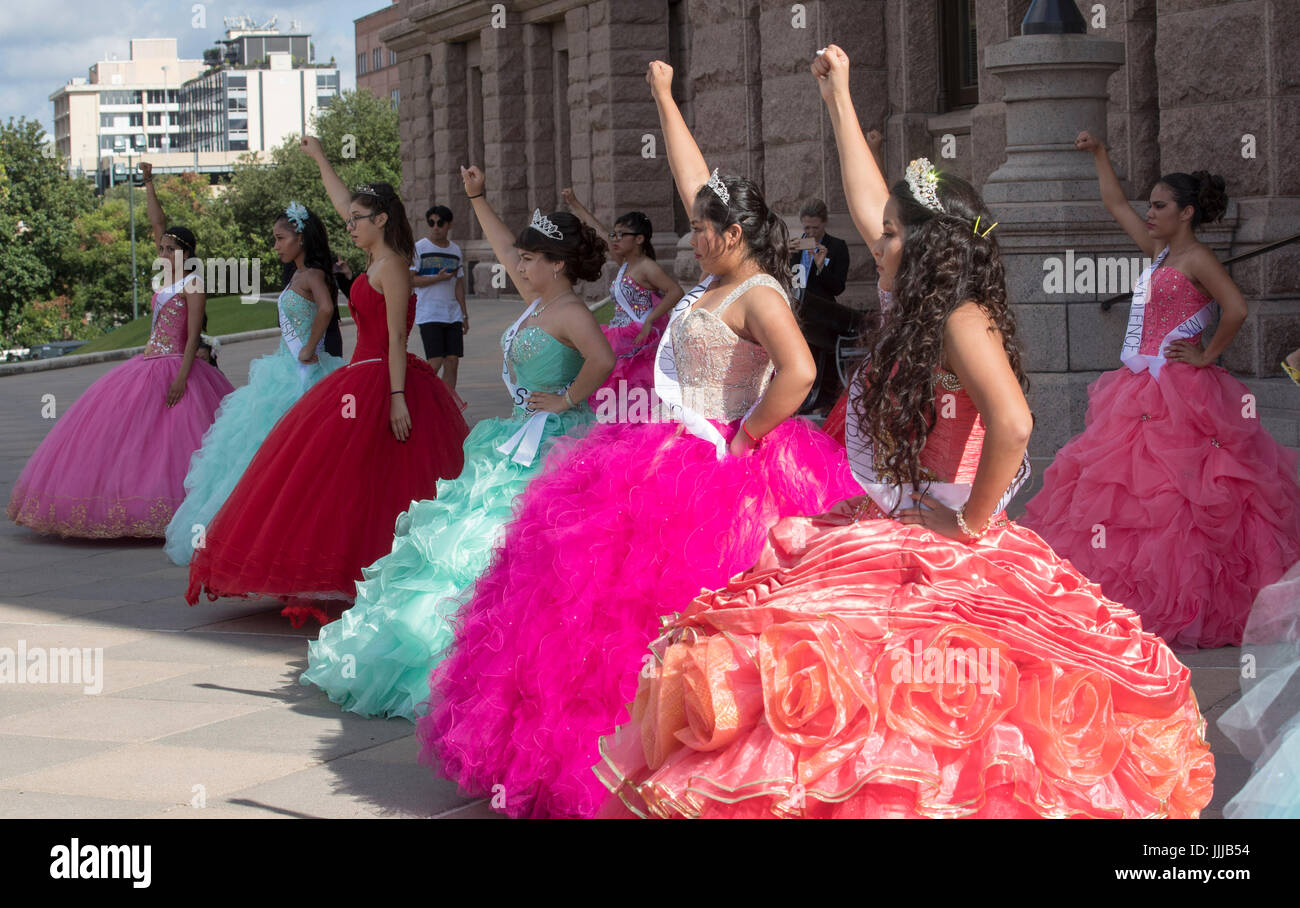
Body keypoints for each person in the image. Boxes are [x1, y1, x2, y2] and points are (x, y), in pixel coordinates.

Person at [593, 45, 1214, 820]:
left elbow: (1015, 422)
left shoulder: (955, 316)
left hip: (939, 538)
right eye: (884, 231)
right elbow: (866, 195)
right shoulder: (918, 305)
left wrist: (971, 519)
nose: (875, 240)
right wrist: (841, 97)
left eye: (891, 235)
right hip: (890, 520)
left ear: (926, 248)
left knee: (929, 714)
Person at [415, 59, 861, 819]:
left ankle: (703, 762)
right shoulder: (718, 279)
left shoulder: (757, 292)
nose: (692, 236)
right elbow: (697, 181)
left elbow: (800, 371)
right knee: (590, 601)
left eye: (701, 229)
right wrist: (662, 97)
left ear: (732, 235)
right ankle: (624, 752)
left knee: (695, 613)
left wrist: (747, 435)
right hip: (661, 448)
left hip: (721, 463)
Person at [301, 168, 615, 719]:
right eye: (521, 258)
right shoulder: (540, 301)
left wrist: (567, 401)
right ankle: (449, 651)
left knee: (516, 544)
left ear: (558, 264)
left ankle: (506, 657)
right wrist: (477, 199)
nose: (519, 264)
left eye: (531, 258)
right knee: (473, 537)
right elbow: (501, 245)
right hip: (519, 435)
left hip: (554, 443)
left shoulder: (570, 311)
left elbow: (604, 360)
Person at [1021, 131, 1300, 650]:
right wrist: (1101, 154)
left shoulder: (1197, 259)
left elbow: (1235, 307)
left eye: (1160, 205)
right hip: (1140, 387)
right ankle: (1127, 595)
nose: (1149, 213)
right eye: (1150, 205)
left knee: (1178, 494)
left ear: (1187, 213)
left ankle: (1193, 601)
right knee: (1127, 490)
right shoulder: (1159, 251)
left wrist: (1207, 353)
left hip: (1183, 390)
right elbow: (1113, 204)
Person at [185, 137, 469, 625]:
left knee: (379, 481)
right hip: (358, 377)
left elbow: (399, 337)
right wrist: (319, 159)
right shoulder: (376, 256)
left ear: (380, 220)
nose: (349, 225)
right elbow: (343, 201)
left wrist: (398, 397)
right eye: (348, 219)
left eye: (357, 219)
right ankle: (351, 571)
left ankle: (389, 571)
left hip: (385, 377)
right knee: (338, 478)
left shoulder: (395, 265)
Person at [7, 162, 234, 538]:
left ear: (185, 252)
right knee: (132, 438)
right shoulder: (167, 276)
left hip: (177, 364)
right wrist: (147, 183)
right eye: (161, 246)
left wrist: (181, 377)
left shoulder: (193, 282)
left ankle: (187, 510)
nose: (161, 249)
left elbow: (194, 336)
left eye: (169, 247)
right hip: (148, 361)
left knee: (177, 443)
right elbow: (157, 222)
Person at [163, 202, 345, 565]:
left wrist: (309, 347)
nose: (275, 246)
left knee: (295, 453)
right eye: (274, 239)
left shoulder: (313, 275)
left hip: (307, 374)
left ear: (301, 238)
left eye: (281, 238)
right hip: (284, 371)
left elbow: (326, 309)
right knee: (258, 452)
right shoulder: (295, 277)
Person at [561, 188, 684, 403]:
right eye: (614, 234)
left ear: (639, 239)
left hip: (636, 336)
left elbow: (676, 291)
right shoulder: (625, 264)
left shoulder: (647, 267)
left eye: (621, 235)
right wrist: (575, 203)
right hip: (619, 331)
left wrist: (650, 321)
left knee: (631, 389)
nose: (615, 239)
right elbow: (599, 230)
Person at [412, 205, 468, 390]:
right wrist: (438, 277)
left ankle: (448, 406)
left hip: (452, 313)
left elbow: (459, 284)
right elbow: (410, 280)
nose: (435, 227)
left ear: (449, 224)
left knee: (452, 361)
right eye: (431, 223)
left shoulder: (455, 250)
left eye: (440, 223)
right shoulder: (419, 248)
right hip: (429, 313)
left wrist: (464, 315)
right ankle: (419, 396)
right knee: (435, 361)